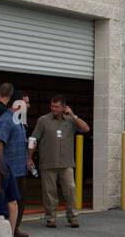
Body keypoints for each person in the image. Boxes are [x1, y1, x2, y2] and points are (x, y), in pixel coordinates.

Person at [30, 95, 89, 228]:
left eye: (57, 106)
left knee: (70, 190)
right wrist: (29, 158)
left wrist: (73, 116)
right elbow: (34, 139)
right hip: (48, 162)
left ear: (64, 107)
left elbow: (86, 129)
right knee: (49, 192)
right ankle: (51, 219)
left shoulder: (70, 121)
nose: (53, 109)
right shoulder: (43, 120)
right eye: (52, 106)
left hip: (66, 163)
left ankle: (72, 217)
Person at [0, 90, 32, 237]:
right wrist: (0, 166)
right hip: (8, 170)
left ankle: (15, 228)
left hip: (20, 169)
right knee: (9, 202)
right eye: (26, 102)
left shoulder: (19, 120)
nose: (28, 105)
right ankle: (6, 231)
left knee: (20, 200)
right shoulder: (6, 120)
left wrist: (28, 160)